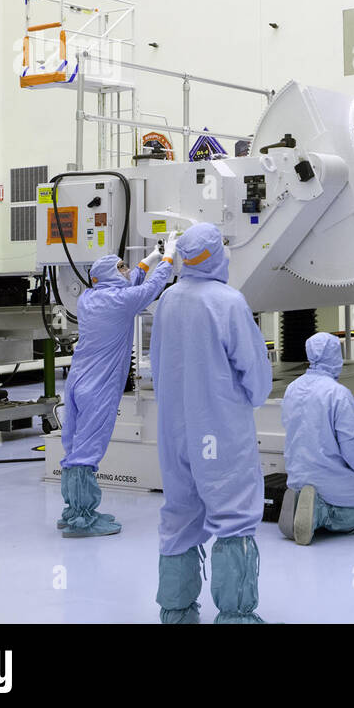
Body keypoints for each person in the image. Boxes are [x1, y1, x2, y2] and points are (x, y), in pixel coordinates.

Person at [150, 223, 274, 624]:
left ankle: (177, 612)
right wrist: (254, 397)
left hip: (176, 430)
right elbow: (253, 371)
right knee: (234, 515)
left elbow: (157, 363)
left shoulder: (168, 301)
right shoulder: (228, 302)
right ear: (216, 254)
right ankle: (235, 615)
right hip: (218, 430)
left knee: (180, 514)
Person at [57, 245, 175, 537]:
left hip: (75, 383)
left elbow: (129, 282)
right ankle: (83, 521)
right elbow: (151, 289)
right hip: (98, 387)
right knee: (87, 452)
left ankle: (72, 510)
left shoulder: (88, 298)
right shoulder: (121, 301)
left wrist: (150, 258)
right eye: (121, 267)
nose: (126, 270)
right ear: (109, 275)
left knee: (73, 448)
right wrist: (169, 258)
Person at [278, 332, 354, 545]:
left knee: (320, 491)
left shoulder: (292, 389)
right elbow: (350, 444)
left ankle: (303, 508)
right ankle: (322, 514)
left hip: (297, 476)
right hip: (330, 479)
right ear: (334, 356)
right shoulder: (338, 394)